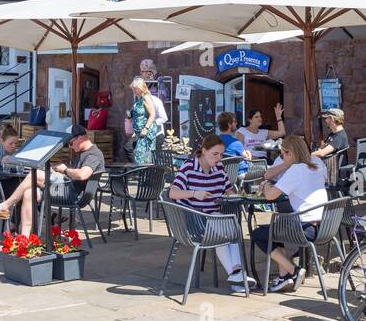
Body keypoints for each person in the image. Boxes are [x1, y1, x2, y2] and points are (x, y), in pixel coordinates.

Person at [0, 125, 104, 235]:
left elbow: (82, 175)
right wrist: (57, 172)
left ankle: (5, 206)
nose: (70, 147)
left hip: (72, 195)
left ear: (81, 138)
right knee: (28, 192)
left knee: (36, 174)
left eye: (70, 143)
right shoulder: (84, 153)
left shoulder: (92, 155)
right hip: (67, 189)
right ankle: (24, 238)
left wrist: (65, 170)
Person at [169, 133, 255, 291]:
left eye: (221, 154)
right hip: (194, 220)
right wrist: (194, 193)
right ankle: (237, 274)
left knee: (231, 226)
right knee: (227, 226)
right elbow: (172, 193)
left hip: (213, 218)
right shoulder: (189, 166)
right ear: (203, 151)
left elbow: (228, 189)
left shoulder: (219, 167)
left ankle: (236, 275)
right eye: (215, 154)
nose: (218, 158)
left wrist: (236, 196)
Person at [252, 135, 329, 293]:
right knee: (275, 228)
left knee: (258, 234)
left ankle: (292, 270)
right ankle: (284, 277)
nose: (282, 157)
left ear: (290, 154)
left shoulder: (297, 170)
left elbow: (270, 196)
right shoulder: (318, 163)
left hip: (304, 228)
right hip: (325, 226)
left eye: (283, 154)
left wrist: (266, 185)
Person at [130, 74, 164, 165]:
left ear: (141, 88)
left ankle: (146, 176)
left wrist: (145, 128)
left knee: (142, 155)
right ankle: (142, 176)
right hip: (139, 132)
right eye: (133, 88)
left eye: (135, 88)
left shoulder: (146, 97)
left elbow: (152, 114)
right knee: (140, 155)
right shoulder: (138, 98)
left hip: (145, 133)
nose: (133, 90)